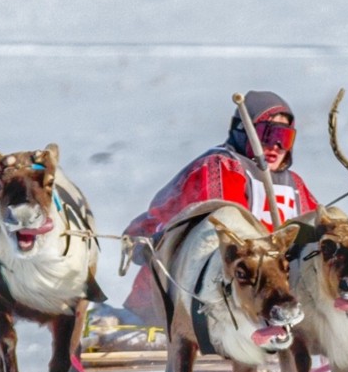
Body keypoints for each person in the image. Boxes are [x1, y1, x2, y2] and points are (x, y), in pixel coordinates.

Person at [119, 90, 320, 327]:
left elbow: (314, 234)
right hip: (196, 300)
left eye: (284, 138)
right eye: (266, 134)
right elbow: (221, 235)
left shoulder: (294, 184)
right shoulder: (222, 167)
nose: (275, 146)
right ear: (243, 132)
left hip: (272, 299)